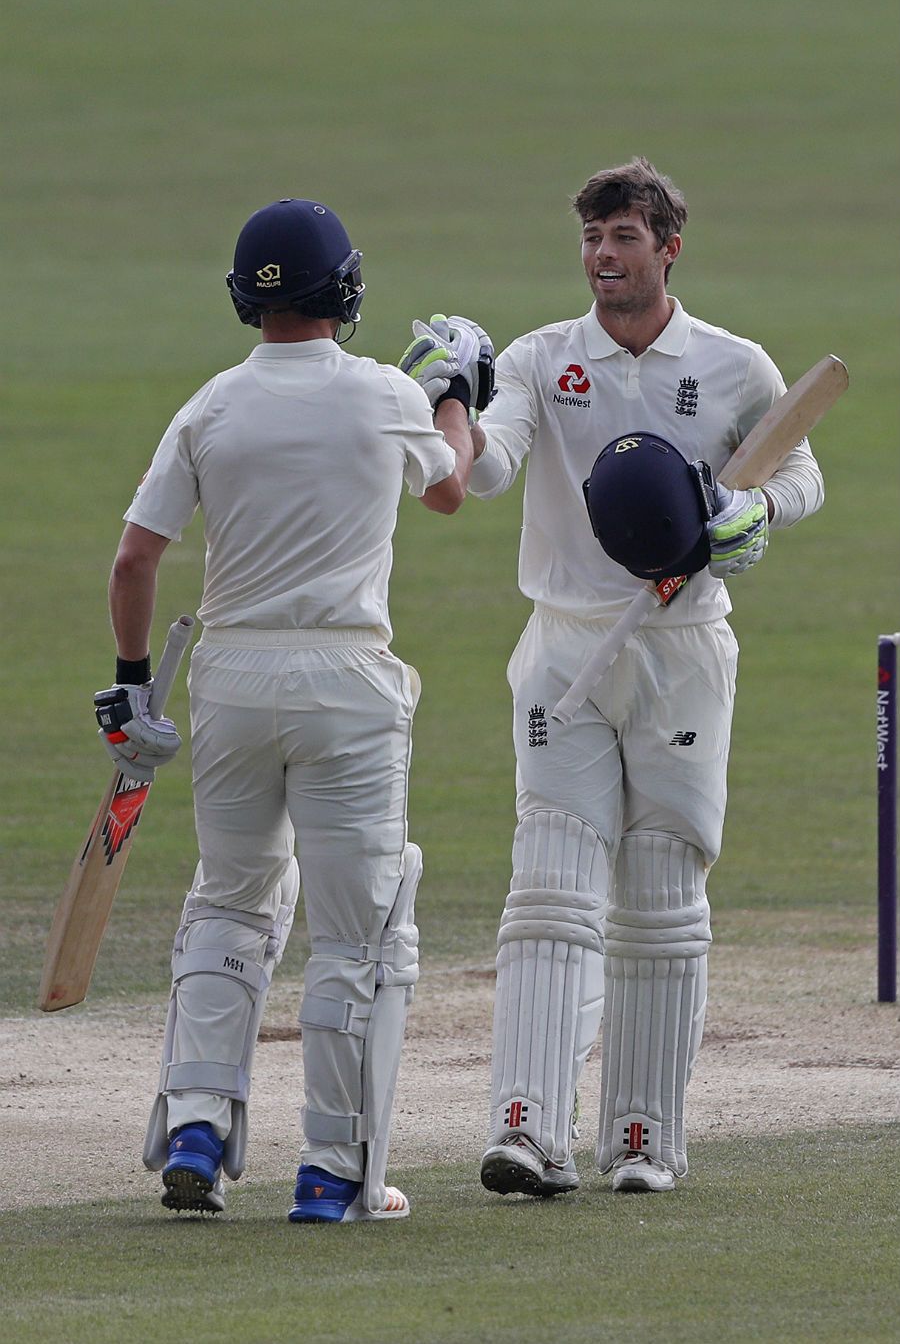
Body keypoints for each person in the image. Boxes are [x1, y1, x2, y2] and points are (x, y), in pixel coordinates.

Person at [400, 157, 824, 1195]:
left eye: (623, 238)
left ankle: (642, 1138)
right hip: (563, 646)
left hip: (681, 651)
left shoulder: (732, 364)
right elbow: (483, 473)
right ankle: (525, 1128)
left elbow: (800, 469)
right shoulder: (545, 360)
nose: (602, 255)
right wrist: (451, 396)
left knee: (661, 896)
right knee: (548, 888)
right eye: (591, 238)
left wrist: (752, 514)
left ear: (667, 249)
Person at [96, 197, 492, 1221]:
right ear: (345, 290)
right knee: (358, 934)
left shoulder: (212, 406)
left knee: (228, 901)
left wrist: (134, 686)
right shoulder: (380, 396)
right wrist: (454, 387)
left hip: (229, 678)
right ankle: (331, 1172)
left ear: (245, 297)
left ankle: (196, 1120)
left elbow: (136, 557)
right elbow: (451, 487)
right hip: (346, 683)